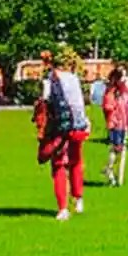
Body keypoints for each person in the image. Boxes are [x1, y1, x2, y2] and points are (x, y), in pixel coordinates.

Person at [41, 50, 91, 220]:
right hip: (77, 125)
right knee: (76, 161)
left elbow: (45, 101)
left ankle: (62, 207)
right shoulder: (73, 78)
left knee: (59, 165)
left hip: (59, 127)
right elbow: (79, 104)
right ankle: (78, 199)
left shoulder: (49, 79)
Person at [101, 68, 128, 187]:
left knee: (120, 150)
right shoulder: (110, 92)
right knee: (116, 148)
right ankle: (109, 170)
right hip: (114, 124)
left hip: (122, 124)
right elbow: (107, 106)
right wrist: (114, 106)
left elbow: (127, 105)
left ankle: (113, 172)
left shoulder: (122, 91)